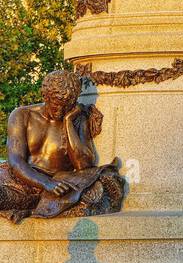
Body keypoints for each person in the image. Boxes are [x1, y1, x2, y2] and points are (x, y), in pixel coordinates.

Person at [0, 71, 124, 224]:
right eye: (57, 104)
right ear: (46, 96)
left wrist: (68, 123)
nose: (61, 111)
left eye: (68, 106)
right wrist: (47, 183)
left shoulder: (77, 120)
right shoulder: (21, 115)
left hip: (47, 187)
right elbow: (15, 161)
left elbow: (84, 165)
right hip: (18, 178)